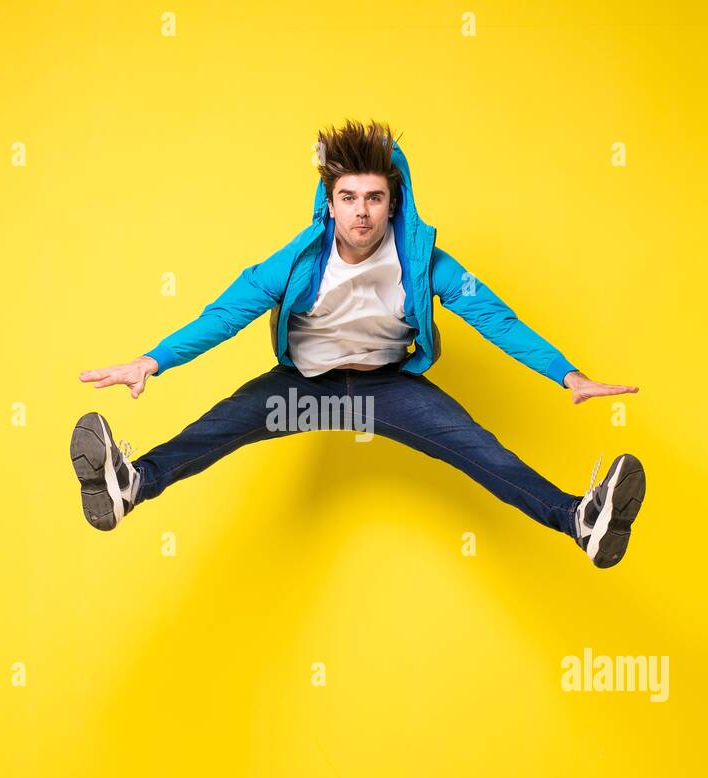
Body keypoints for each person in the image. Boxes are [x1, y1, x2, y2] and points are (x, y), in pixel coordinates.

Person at [71, 119, 646, 568]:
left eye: (374, 198)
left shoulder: (425, 266)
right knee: (221, 425)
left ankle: (580, 520)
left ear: (391, 203)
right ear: (330, 202)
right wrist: (152, 361)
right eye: (349, 197)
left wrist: (568, 375)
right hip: (304, 390)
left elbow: (496, 319)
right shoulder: (296, 264)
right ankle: (131, 484)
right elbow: (225, 315)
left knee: (477, 448)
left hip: (385, 391)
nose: (362, 212)